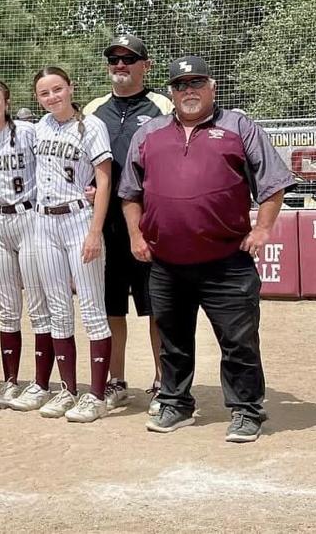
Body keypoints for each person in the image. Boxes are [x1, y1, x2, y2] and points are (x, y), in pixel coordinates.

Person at [122, 56, 296, 443]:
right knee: (172, 339)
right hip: (166, 262)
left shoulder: (238, 126)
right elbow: (130, 193)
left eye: (196, 82)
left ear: (212, 86)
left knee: (238, 341)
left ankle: (247, 410)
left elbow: (273, 183)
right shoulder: (149, 133)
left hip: (226, 262)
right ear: (171, 92)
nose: (189, 91)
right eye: (180, 85)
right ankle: (176, 403)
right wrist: (136, 236)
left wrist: (263, 228)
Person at [8, 66, 113, 424]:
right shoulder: (39, 128)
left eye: (57, 89)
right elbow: (2, 131)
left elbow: (104, 179)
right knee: (57, 309)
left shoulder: (92, 125)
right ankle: (68, 389)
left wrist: (95, 232)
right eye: (44, 93)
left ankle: (96, 395)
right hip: (43, 221)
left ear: (71, 88)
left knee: (92, 308)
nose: (52, 97)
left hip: (78, 219)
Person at [82, 34, 174, 414]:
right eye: (114, 60)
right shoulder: (93, 109)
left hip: (148, 222)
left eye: (129, 59)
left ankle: (163, 382)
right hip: (106, 226)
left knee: (158, 309)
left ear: (145, 65)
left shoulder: (162, 105)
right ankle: (116, 381)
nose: (120, 66)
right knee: (110, 309)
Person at [0, 80, 52, 409]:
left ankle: (42, 383)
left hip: (29, 217)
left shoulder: (29, 131)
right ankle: (10, 382)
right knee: (7, 309)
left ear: (6, 101)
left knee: (37, 304)